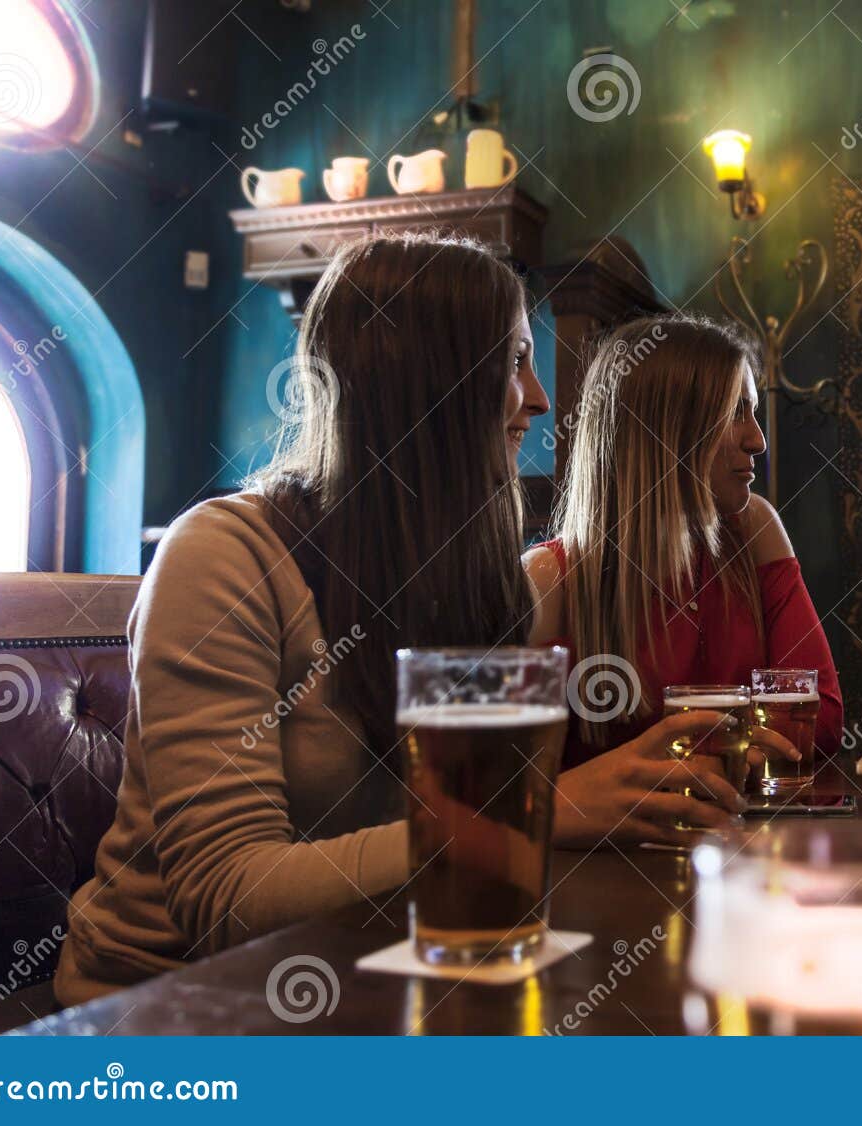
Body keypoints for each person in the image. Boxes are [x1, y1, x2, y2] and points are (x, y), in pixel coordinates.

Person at [54, 235, 740, 1005]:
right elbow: (226, 897)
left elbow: (469, 844)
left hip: (372, 971)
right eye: (515, 359)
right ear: (428, 379)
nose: (541, 398)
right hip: (168, 1005)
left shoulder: (473, 577)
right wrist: (547, 813)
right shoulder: (222, 557)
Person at [525, 313, 843, 781]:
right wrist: (727, 749)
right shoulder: (547, 579)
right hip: (605, 856)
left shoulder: (752, 528)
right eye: (735, 412)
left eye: (752, 413)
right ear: (666, 430)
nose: (758, 440)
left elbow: (824, 719)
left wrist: (689, 757)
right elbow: (512, 794)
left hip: (737, 845)